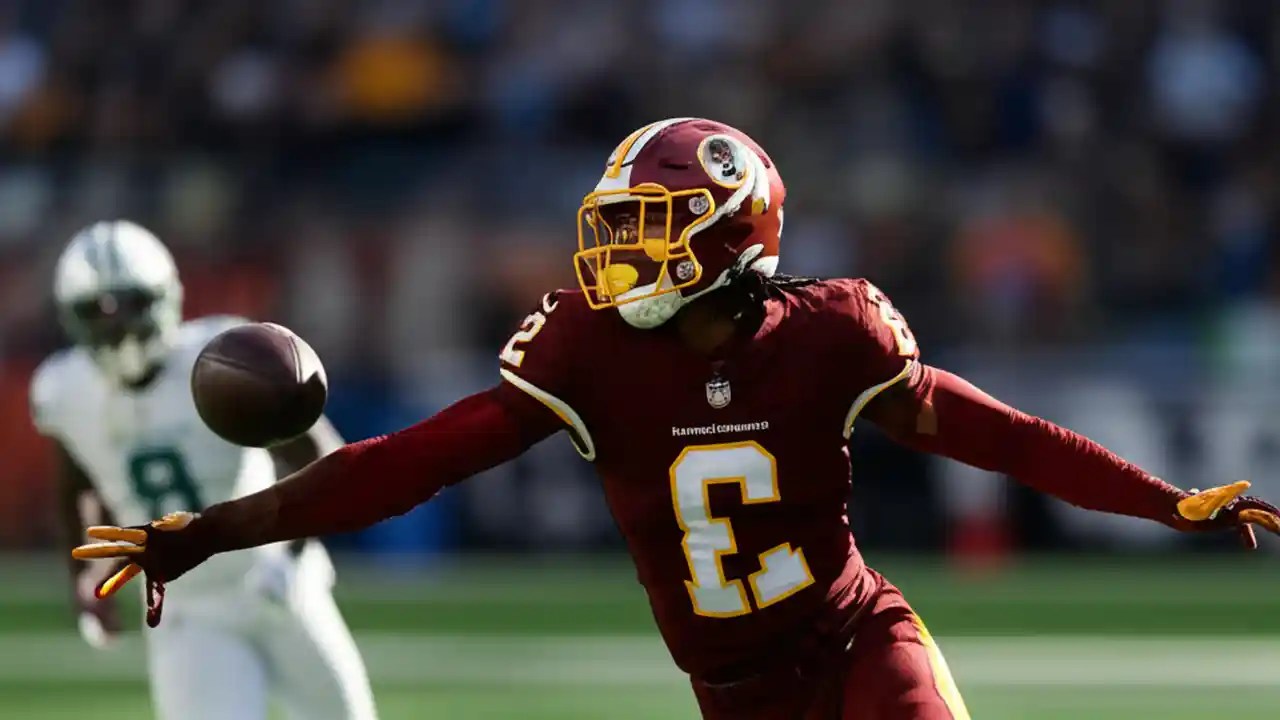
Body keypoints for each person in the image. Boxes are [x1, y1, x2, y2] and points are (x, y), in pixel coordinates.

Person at [74, 121, 1280, 720]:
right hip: (732, 689)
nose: (615, 253)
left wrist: (1160, 498)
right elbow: (404, 467)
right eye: (615, 225)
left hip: (854, 643)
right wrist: (206, 533)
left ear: (730, 241)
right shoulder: (590, 350)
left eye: (648, 227)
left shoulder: (831, 334)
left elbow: (1000, 435)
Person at [34, 221, 378, 720]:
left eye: (130, 306)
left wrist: (295, 550)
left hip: (272, 581)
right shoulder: (66, 390)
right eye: (98, 312)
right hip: (187, 609)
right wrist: (85, 577)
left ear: (164, 299)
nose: (117, 328)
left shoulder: (222, 358)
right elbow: (78, 480)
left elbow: (320, 453)